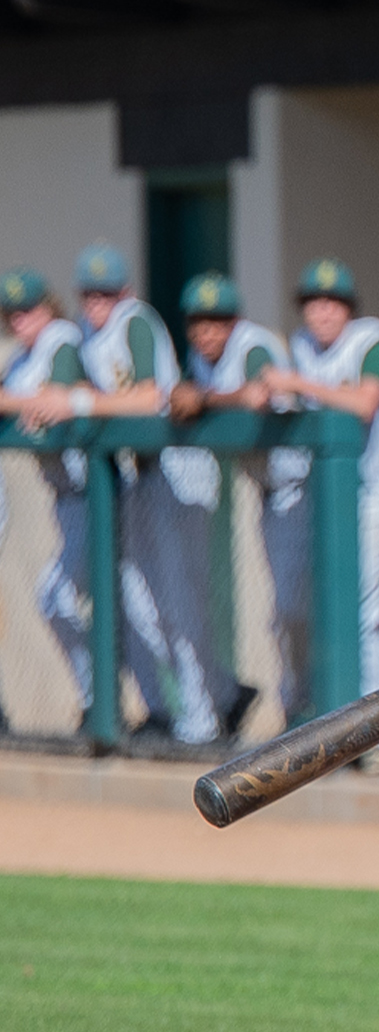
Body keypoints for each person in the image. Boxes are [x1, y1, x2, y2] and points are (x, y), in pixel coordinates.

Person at [26, 243, 250, 744]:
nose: (98, 303)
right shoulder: (88, 333)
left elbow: (151, 396)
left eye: (107, 292)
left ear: (123, 291)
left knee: (177, 600)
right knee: (149, 606)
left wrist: (78, 400)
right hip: (144, 475)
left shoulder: (135, 319)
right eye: (90, 294)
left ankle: (202, 721)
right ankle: (220, 697)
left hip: (178, 465)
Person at [263, 257, 379, 773]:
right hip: (333, 500)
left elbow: (364, 403)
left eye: (332, 303)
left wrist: (297, 383)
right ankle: (358, 725)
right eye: (313, 303)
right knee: (349, 611)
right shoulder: (303, 348)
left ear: (348, 309)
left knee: (362, 607)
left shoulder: (370, 339)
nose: (322, 313)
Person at [166, 272, 301, 729]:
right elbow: (191, 397)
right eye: (199, 322)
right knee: (284, 612)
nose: (207, 331)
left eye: (217, 321)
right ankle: (298, 713)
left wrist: (203, 397)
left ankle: (313, 714)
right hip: (269, 491)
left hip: (307, 488)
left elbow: (258, 394)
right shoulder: (200, 359)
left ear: (234, 321)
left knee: (298, 611)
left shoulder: (253, 343)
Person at [0, 267, 89, 731]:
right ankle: (101, 701)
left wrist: (16, 402)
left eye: (28, 309)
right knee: (66, 601)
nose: (20, 320)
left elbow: (55, 395)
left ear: (47, 306)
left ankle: (107, 701)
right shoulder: (19, 359)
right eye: (12, 313)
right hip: (65, 496)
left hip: (101, 491)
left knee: (60, 598)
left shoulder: (61, 337)